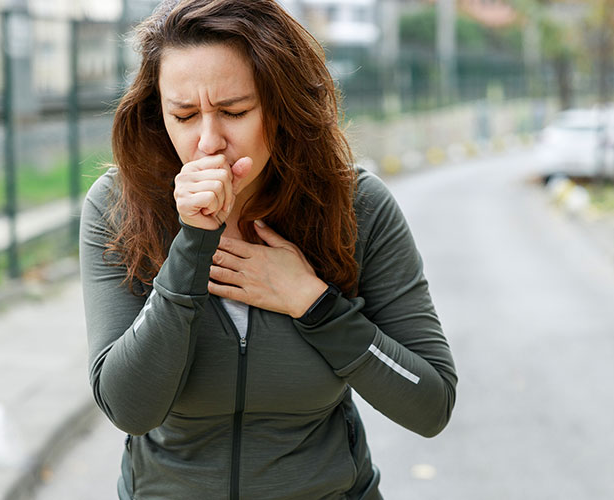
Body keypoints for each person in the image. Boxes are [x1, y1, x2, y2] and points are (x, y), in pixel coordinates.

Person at [79, 0, 457, 498]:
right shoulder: (118, 207)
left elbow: (431, 405)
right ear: (158, 114)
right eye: (184, 115)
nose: (208, 142)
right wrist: (192, 244)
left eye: (234, 112)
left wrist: (315, 305)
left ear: (282, 106)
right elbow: (128, 408)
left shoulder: (356, 206)